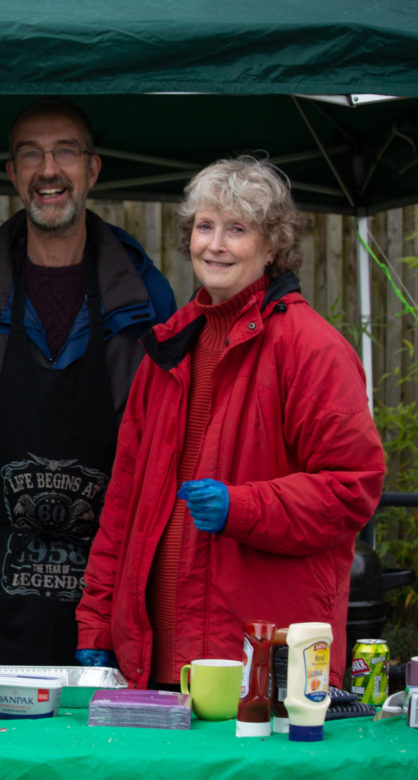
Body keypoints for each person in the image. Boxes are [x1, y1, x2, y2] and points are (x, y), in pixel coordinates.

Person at [75, 156, 386, 689]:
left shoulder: (311, 349)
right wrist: (97, 626)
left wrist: (242, 507)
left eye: (237, 229)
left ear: (272, 247)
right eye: (205, 226)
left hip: (261, 667)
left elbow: (351, 489)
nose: (215, 244)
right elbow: (122, 506)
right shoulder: (166, 351)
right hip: (151, 666)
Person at [0, 98, 177, 665]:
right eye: (31, 154)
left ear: (93, 169)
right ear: (12, 174)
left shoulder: (145, 300)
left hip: (105, 596)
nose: (49, 169)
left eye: (65, 152)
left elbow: (165, 459)